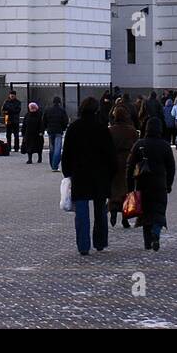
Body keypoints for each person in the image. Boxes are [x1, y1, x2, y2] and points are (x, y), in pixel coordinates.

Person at [61, 97, 115, 255]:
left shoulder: (74, 128)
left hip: (80, 175)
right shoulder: (102, 128)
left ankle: (83, 246)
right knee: (100, 211)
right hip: (100, 175)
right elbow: (111, 155)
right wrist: (111, 173)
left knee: (82, 212)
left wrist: (68, 173)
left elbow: (67, 154)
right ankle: (100, 242)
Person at [126, 117, 176, 251]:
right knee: (159, 211)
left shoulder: (139, 144)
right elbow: (171, 167)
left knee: (145, 213)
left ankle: (147, 242)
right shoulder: (165, 145)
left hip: (142, 183)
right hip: (160, 183)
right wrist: (169, 183)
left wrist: (130, 186)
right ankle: (156, 232)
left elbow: (130, 166)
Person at [107, 105, 138, 229]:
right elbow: (136, 146)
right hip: (128, 161)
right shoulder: (132, 130)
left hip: (114, 161)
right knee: (127, 189)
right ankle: (125, 218)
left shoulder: (110, 130)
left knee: (114, 188)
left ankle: (113, 211)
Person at [43, 96, 69, 172]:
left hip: (50, 130)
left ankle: (52, 164)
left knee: (52, 149)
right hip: (58, 131)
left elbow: (44, 120)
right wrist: (63, 128)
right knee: (57, 149)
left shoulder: (48, 110)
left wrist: (46, 127)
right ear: (60, 102)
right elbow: (65, 121)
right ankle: (55, 166)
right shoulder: (62, 110)